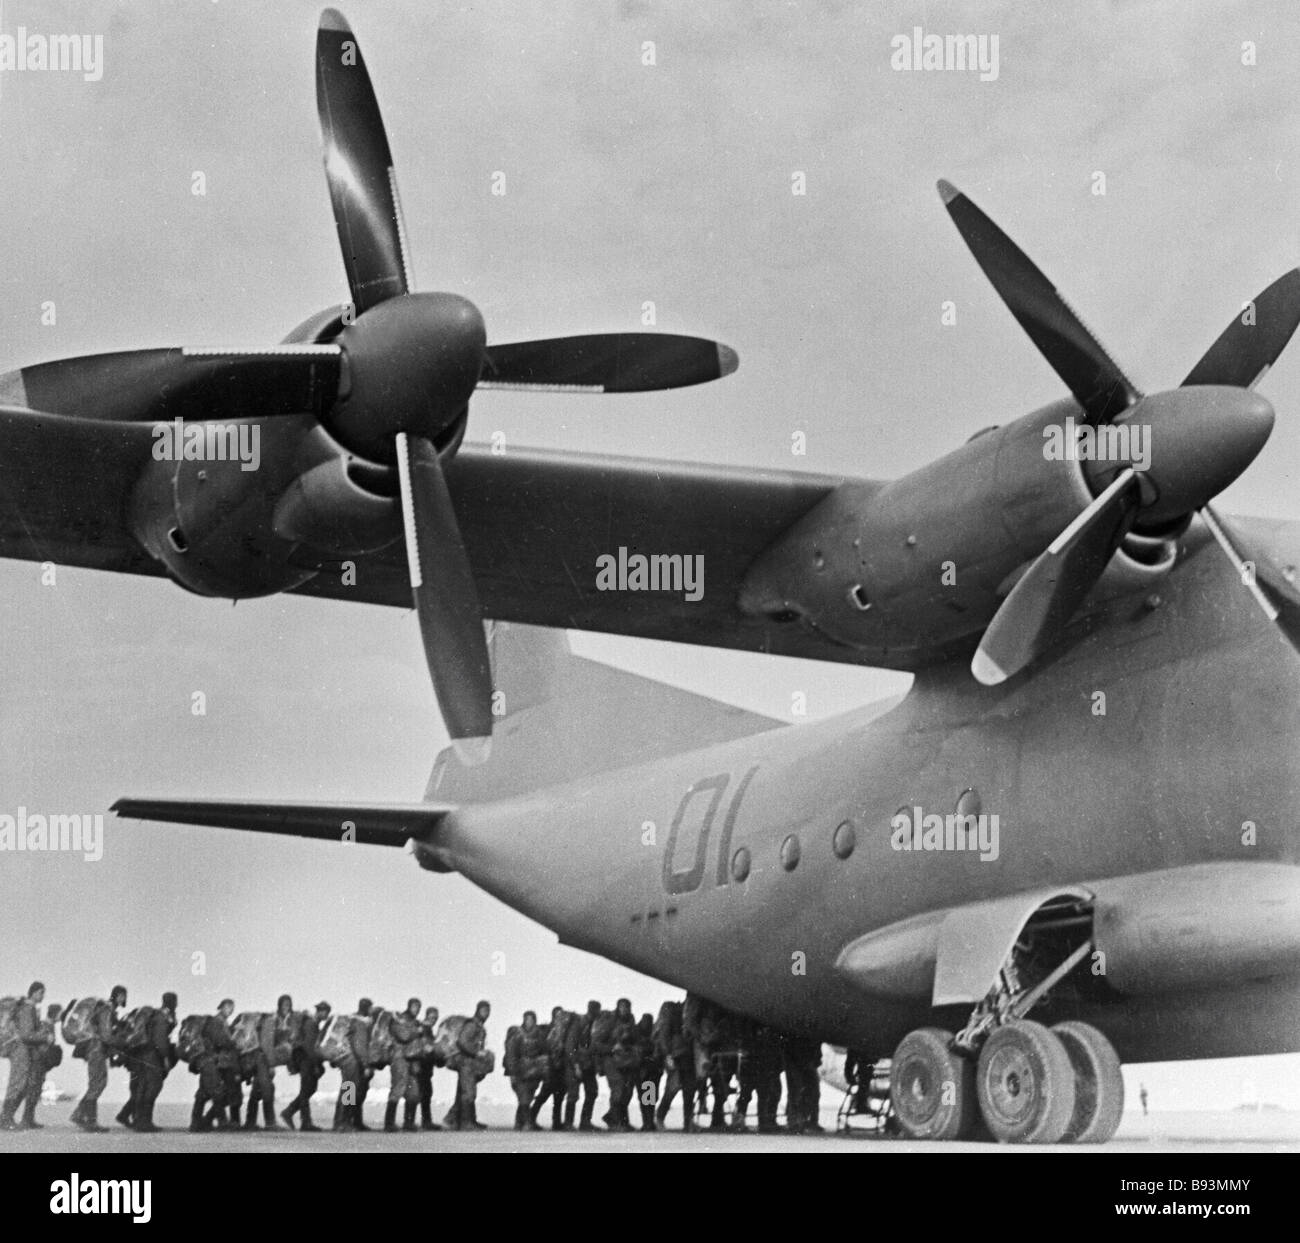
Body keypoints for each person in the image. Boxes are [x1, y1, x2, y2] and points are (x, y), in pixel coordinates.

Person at [71, 984, 126, 1133]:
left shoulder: (105, 1008)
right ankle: (90, 1121)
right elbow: (106, 1035)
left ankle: (79, 1114)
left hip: (93, 1049)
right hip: (96, 1050)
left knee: (96, 1083)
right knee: (98, 1084)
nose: (124, 999)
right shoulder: (107, 1009)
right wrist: (122, 1042)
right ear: (119, 996)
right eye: (123, 996)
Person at [120, 994, 177, 1132]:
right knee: (152, 1087)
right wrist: (165, 1057)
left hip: (141, 1055)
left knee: (143, 1087)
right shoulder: (161, 1018)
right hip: (151, 1056)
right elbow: (160, 1040)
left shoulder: (154, 1015)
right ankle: (144, 1122)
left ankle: (140, 1120)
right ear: (172, 1002)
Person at [1, 982, 50, 1131]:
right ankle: (5, 1119)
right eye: (42, 992)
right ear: (34, 993)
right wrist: (44, 1038)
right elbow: (26, 1034)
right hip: (20, 1049)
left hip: (20, 1048)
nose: (43, 996)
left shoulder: (26, 1008)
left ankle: (6, 1118)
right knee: (17, 1084)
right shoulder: (28, 1008)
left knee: (21, 1084)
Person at [282, 1000, 330, 1132]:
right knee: (306, 1090)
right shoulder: (311, 1024)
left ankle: (289, 1112)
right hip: (306, 1060)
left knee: (309, 1089)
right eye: (325, 1012)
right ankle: (305, 1122)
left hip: (305, 1059)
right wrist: (315, 1065)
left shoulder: (312, 1024)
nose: (326, 1015)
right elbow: (310, 1047)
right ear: (320, 1011)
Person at [191, 998, 238, 1131]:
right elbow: (220, 1041)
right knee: (217, 1092)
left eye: (232, 1007)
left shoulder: (221, 1022)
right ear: (221, 1007)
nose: (231, 1010)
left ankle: (196, 1123)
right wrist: (233, 1043)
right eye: (228, 1007)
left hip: (207, 1061)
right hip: (209, 1061)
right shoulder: (216, 1022)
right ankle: (221, 1122)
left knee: (203, 1093)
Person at [444, 1000, 490, 1131]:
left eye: (488, 1011)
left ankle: (456, 1119)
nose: (486, 1014)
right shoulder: (472, 1025)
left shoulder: (478, 1026)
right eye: (484, 1011)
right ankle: (466, 1122)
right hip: (466, 1063)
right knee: (469, 1093)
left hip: (469, 1063)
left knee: (464, 1091)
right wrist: (477, 1053)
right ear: (478, 1010)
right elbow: (463, 1042)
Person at [530, 1006, 579, 1131]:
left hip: (560, 1067)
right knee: (545, 1094)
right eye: (557, 1015)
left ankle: (555, 1122)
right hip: (551, 1067)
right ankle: (530, 1118)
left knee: (558, 1097)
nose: (560, 1018)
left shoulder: (561, 1031)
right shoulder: (551, 1031)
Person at [654, 1000, 697, 1132]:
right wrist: (668, 1055)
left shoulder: (675, 1018)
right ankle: (650, 1119)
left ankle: (651, 1120)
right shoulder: (674, 1017)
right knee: (658, 1091)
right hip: (673, 1058)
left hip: (677, 1057)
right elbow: (664, 1037)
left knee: (681, 1089)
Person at [599, 998, 639, 1132]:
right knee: (618, 1089)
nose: (625, 1010)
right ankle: (615, 1121)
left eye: (627, 1007)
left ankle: (621, 1121)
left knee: (627, 1091)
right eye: (622, 1007)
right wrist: (612, 1048)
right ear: (618, 1008)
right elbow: (596, 1044)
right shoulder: (609, 1022)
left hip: (625, 1061)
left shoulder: (631, 1021)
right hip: (610, 1060)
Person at [506, 1010, 547, 1131]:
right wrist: (513, 1072)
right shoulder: (517, 1035)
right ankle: (527, 1123)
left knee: (528, 1097)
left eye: (531, 1020)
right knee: (523, 1096)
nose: (529, 1022)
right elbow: (511, 1055)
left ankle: (519, 1122)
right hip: (520, 1071)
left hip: (534, 1071)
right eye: (527, 1019)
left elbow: (544, 1050)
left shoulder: (539, 1035)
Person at [387, 997, 423, 1132]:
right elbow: (404, 1036)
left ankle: (409, 1122)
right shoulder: (400, 1020)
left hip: (412, 1059)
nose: (417, 1010)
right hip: (400, 1058)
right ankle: (343, 1120)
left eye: (419, 1007)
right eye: (415, 1007)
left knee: (413, 1092)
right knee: (398, 1089)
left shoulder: (414, 1022)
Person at [573, 1000, 602, 1132]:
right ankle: (571, 1122)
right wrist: (576, 1065)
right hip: (579, 1064)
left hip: (588, 1064)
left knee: (592, 1092)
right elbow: (571, 1046)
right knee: (573, 1094)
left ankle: (585, 1121)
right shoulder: (581, 1024)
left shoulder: (593, 1024)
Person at [411, 1005, 442, 1131]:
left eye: (436, 1018)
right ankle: (345, 1119)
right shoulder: (424, 1029)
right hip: (421, 1066)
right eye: (432, 1017)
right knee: (350, 1086)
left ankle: (348, 1119)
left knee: (425, 1093)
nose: (434, 1020)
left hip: (425, 1067)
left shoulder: (426, 1029)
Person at [634, 1012, 662, 1133]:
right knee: (647, 1099)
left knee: (648, 1098)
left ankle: (648, 1122)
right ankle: (648, 1122)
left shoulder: (643, 1034)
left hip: (649, 1071)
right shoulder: (646, 1034)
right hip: (645, 1071)